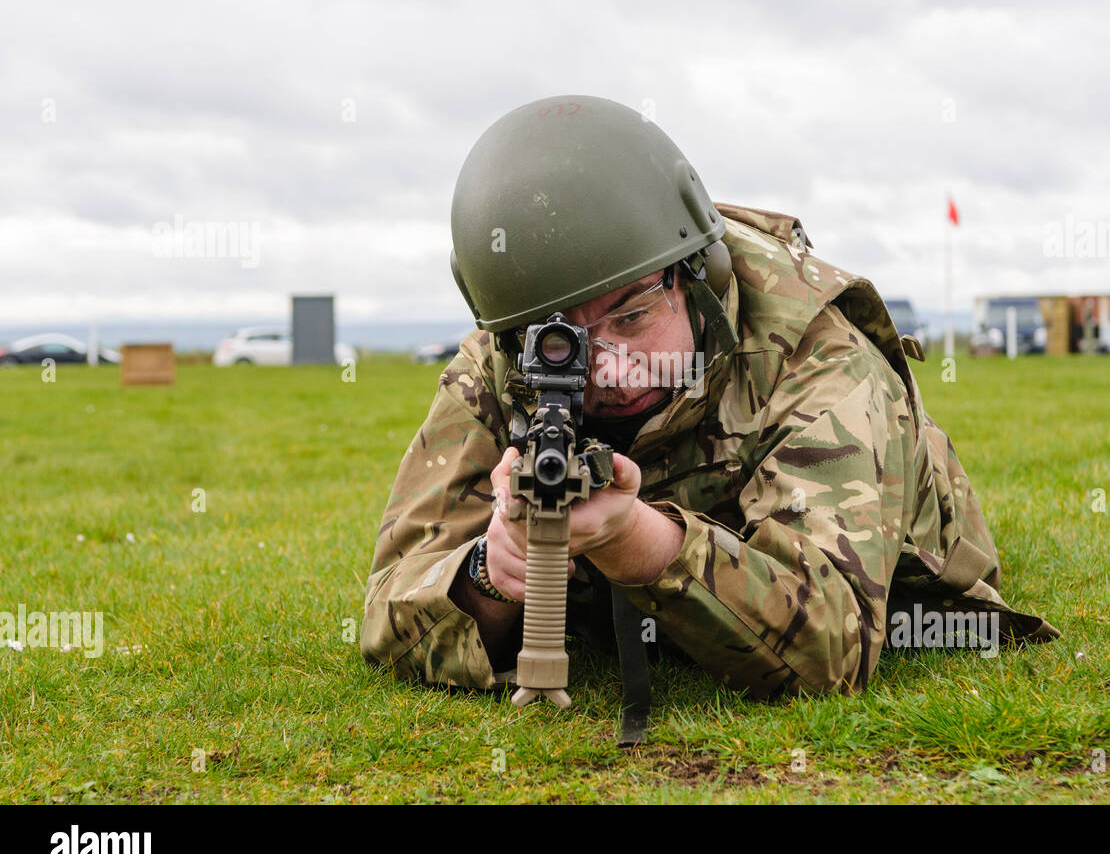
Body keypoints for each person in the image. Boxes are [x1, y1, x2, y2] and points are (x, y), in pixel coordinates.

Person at [360, 95, 1059, 702]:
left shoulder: (814, 354)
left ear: (699, 278)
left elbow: (832, 644)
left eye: (631, 318)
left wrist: (636, 541)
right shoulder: (503, 361)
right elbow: (388, 609)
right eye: (561, 339)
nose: (606, 366)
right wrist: (492, 571)